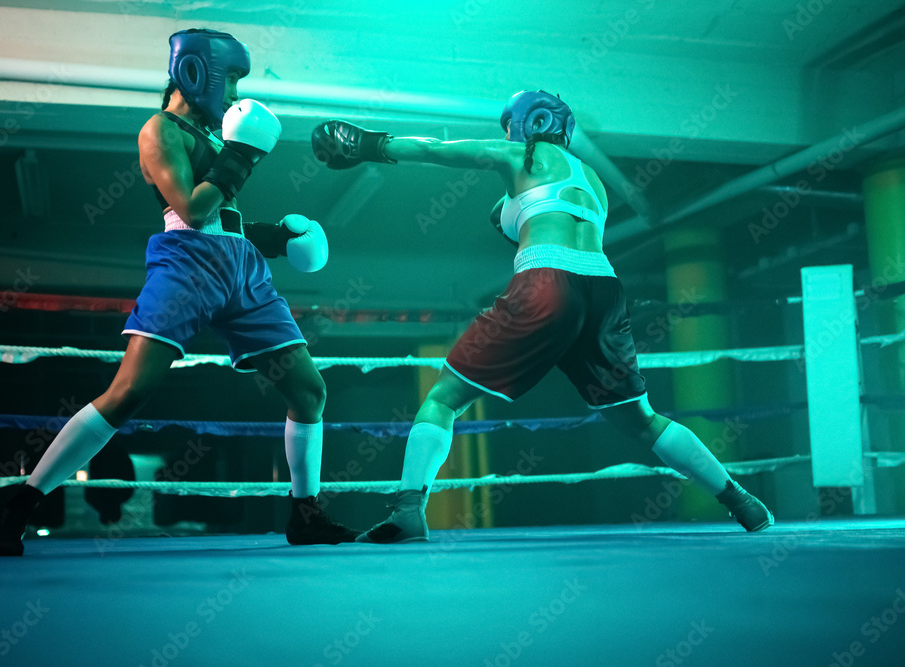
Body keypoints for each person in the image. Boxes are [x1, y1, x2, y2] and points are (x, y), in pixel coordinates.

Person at [311, 90, 774, 543]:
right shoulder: (593, 181)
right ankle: (742, 501)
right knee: (642, 419)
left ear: (529, 123)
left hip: (546, 281)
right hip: (604, 289)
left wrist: (370, 144)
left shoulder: (523, 156)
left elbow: (439, 151)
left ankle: (409, 511)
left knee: (444, 398)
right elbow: (530, 213)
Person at [0, 28, 358, 556]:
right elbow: (193, 210)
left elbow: (224, 218)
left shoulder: (212, 138)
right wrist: (243, 155)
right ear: (195, 73)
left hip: (242, 269)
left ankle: (305, 512)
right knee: (130, 390)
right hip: (188, 264)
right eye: (228, 78)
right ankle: (22, 500)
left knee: (309, 390)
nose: (232, 93)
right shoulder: (159, 130)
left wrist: (274, 237)